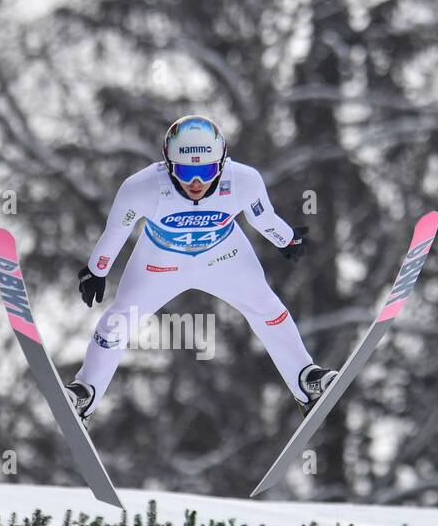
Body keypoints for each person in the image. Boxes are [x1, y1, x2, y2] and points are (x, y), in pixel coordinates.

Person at [64, 114, 337, 419]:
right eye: (185, 171)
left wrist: (287, 240)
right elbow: (115, 231)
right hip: (160, 260)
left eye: (206, 171)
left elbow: (264, 218)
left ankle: (306, 380)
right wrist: (96, 270)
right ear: (168, 164)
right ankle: (83, 394)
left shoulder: (243, 181)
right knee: (118, 319)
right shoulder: (141, 188)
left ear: (221, 163)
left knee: (267, 307)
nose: (196, 182)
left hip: (223, 257)